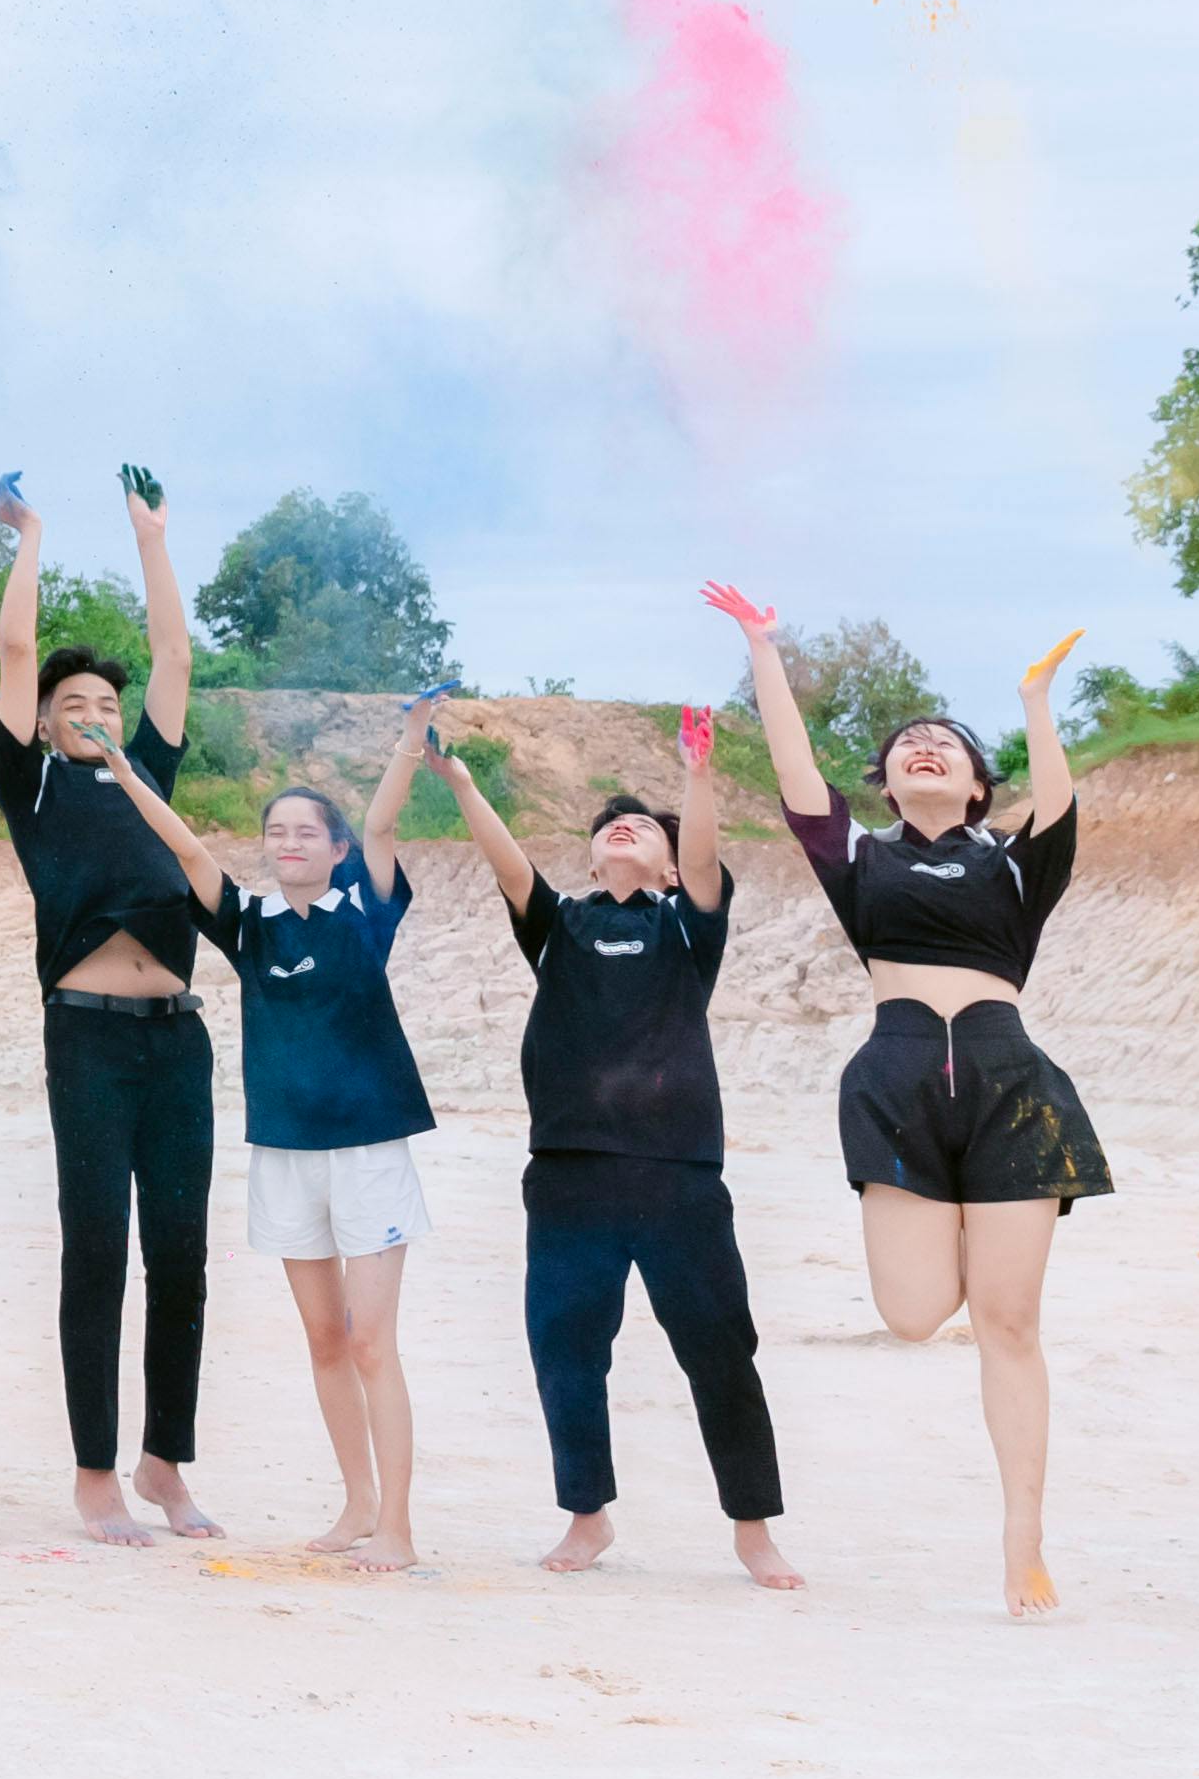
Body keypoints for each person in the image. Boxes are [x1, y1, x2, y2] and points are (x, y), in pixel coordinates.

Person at [719, 580, 1098, 1617]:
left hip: (1010, 1083)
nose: (923, 746)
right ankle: (974, 1240)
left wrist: (1034, 700)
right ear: (886, 783)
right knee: (916, 1312)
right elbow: (797, 775)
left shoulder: (1018, 864)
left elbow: (1059, 803)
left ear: (979, 784)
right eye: (905, 743)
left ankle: (1023, 1545)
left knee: (1010, 1325)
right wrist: (763, 650)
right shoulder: (861, 861)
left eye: (946, 742)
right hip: (892, 1084)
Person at [422, 704, 792, 1587]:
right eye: (608, 826)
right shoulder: (560, 926)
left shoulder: (684, 925)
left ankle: (753, 1530)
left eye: (646, 829)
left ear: (667, 866)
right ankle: (587, 1517)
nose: (624, 827)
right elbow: (509, 867)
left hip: (679, 1177)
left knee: (718, 1351)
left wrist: (698, 779)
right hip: (569, 1174)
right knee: (566, 1347)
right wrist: (465, 785)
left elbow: (703, 860)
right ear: (590, 859)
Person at [106, 714, 439, 1569]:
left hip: (367, 1148)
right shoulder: (250, 921)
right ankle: (357, 1504)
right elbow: (186, 853)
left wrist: (410, 740)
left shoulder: (365, 907)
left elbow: (383, 824)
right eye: (275, 832)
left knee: (371, 1341)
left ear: (332, 850)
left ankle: (397, 1528)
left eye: (306, 832)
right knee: (325, 1340)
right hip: (284, 1152)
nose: (289, 842)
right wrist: (129, 774)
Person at [0, 481, 218, 1545]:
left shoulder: (144, 771)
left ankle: (165, 1459)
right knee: (97, 1248)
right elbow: (17, 652)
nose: (93, 715)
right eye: (73, 706)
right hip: (85, 1037)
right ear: (41, 722)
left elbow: (173, 656)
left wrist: (152, 542)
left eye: (105, 708)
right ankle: (93, 1475)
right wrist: (31, 539)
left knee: (181, 1251)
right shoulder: (31, 788)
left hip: (179, 1040)